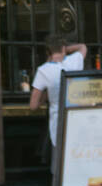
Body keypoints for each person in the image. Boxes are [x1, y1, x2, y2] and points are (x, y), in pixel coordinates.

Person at [30, 35, 87, 170]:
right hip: (78, 118)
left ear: (48, 52)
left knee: (60, 165)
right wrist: (66, 49)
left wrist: (47, 94)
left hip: (58, 122)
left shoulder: (43, 70)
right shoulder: (75, 61)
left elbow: (33, 105)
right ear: (63, 48)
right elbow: (82, 47)